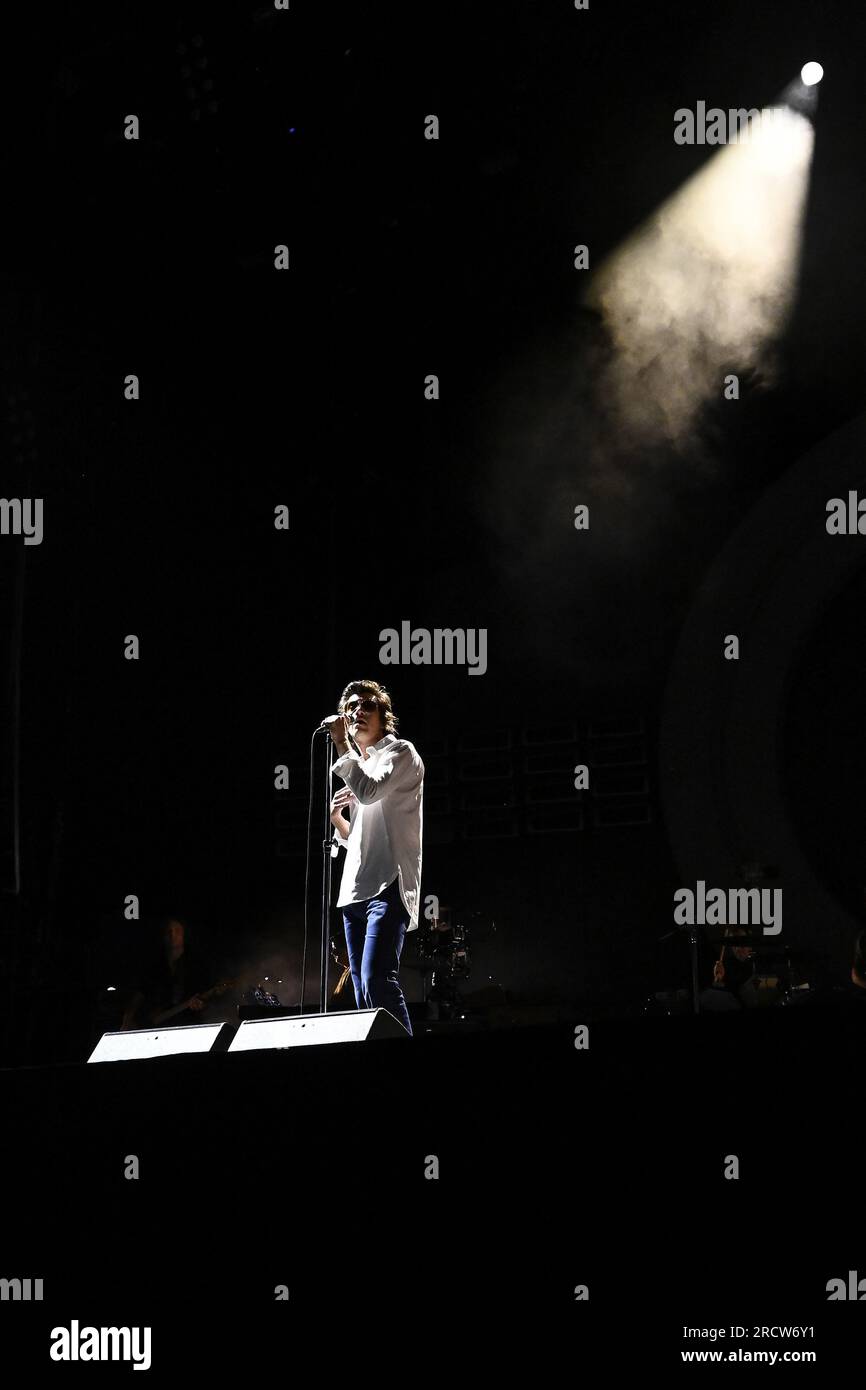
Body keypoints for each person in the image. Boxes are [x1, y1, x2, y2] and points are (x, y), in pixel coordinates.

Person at [322, 680, 423, 1037]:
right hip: (354, 891)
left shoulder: (400, 753)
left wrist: (340, 744)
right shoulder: (360, 767)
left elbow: (368, 792)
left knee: (378, 979)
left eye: (366, 706)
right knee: (363, 990)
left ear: (383, 715)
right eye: (350, 708)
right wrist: (339, 822)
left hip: (387, 886)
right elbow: (363, 841)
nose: (356, 712)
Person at [121, 916, 213, 1028]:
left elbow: (207, 996)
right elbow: (138, 994)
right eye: (168, 931)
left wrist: (202, 1004)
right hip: (156, 1028)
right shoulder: (153, 966)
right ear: (163, 936)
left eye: (177, 931)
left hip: (187, 1025)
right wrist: (127, 1019)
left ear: (184, 935)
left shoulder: (196, 965)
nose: (172, 935)